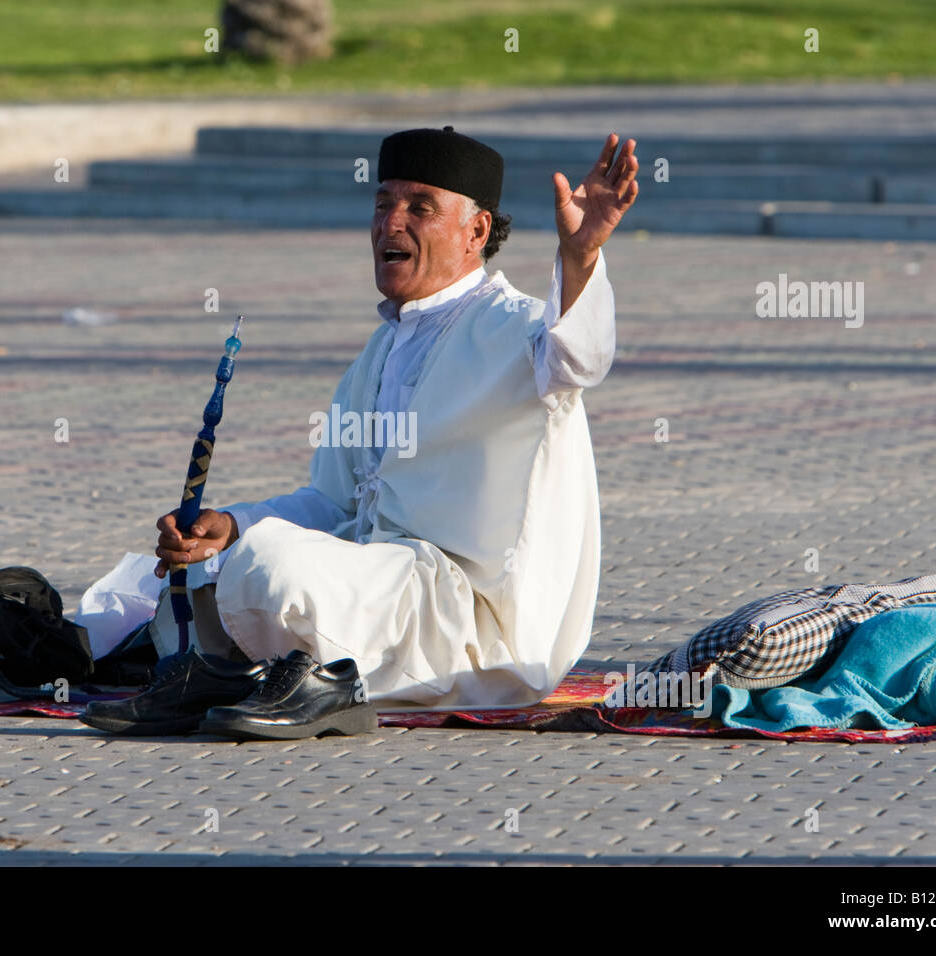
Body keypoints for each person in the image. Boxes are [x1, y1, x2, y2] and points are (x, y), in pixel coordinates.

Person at [81, 125, 639, 738]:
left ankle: (323, 681)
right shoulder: (376, 355)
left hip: (473, 623)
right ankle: (234, 676)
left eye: (419, 208)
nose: (390, 223)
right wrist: (232, 523)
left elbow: (581, 358)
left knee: (270, 564)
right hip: (382, 590)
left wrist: (580, 256)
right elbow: (334, 504)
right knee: (211, 565)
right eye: (383, 204)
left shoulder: (521, 329)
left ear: (477, 232)